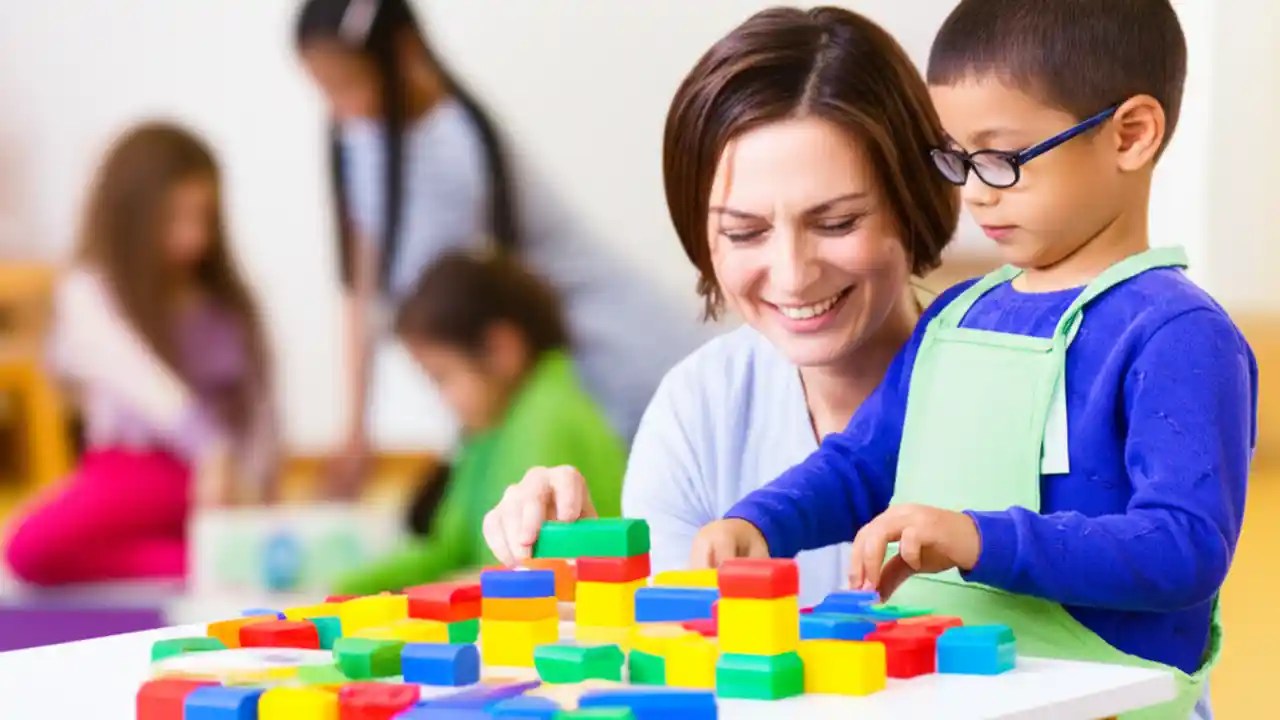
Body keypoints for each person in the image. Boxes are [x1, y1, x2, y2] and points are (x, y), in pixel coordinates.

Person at [694, 1, 1253, 717]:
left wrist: (977, 537)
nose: (976, 190)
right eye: (956, 157)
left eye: (1004, 158)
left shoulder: (1176, 333)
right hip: (937, 683)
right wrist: (762, 524)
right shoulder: (955, 314)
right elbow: (862, 464)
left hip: (1093, 696)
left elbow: (1184, 547)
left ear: (1131, 135)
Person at [481, 6, 959, 605]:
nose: (792, 274)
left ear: (912, 202)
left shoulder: (1004, 380)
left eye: (837, 222)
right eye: (744, 232)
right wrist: (590, 578)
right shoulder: (698, 409)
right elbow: (681, 657)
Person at [293, 0, 705, 495]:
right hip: (545, 364)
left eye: (348, 85)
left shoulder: (456, 149)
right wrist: (356, 431)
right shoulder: (359, 138)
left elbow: (459, 310)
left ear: (402, 53)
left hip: (610, 353)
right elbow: (363, 294)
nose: (340, 109)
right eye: (325, 91)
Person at [4, 123, 279, 586]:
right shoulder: (90, 293)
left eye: (205, 219)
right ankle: (205, 562)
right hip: (132, 470)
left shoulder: (225, 304)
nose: (194, 239)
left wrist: (257, 485)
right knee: (29, 549)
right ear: (132, 217)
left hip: (216, 488)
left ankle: (214, 555)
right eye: (176, 219)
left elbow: (260, 408)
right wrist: (211, 449)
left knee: (30, 548)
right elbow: (148, 386)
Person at [333, 251, 626, 594]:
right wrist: (343, 589)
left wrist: (402, 598)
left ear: (502, 350)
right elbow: (447, 550)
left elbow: (529, 571)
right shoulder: (487, 432)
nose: (443, 399)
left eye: (442, 377)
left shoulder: (547, 418)